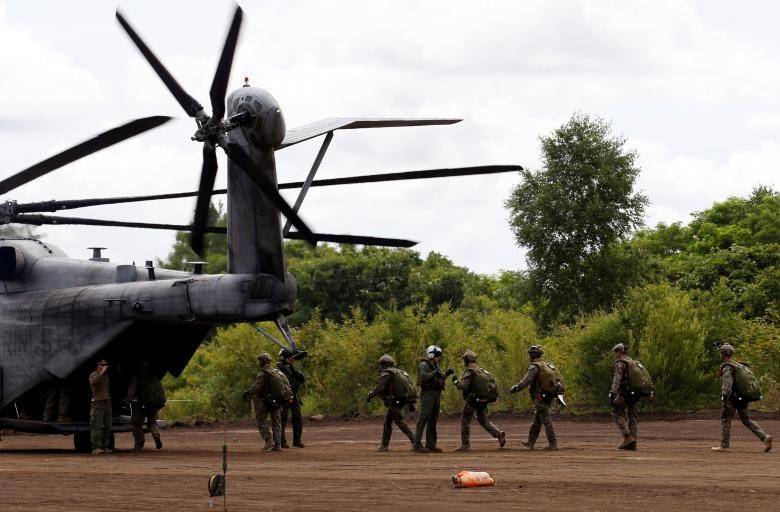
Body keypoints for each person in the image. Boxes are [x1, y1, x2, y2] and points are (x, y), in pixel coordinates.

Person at [712, 344, 772, 452]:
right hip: (742, 398)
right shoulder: (739, 365)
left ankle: (724, 445)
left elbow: (727, 383)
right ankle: (764, 437)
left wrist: (724, 396)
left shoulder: (727, 367)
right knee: (746, 420)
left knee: (726, 419)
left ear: (722, 354)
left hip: (732, 398)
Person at [452, 350, 505, 451]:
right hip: (484, 399)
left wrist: (456, 382)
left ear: (466, 361)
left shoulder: (469, 371)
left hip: (473, 400)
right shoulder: (483, 371)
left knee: (465, 419)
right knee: (483, 420)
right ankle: (498, 434)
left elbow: (464, 386)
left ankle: (465, 445)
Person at [510, 345, 557, 450]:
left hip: (540, 397)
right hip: (547, 396)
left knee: (546, 420)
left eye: (530, 354)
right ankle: (531, 442)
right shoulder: (545, 365)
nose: (529, 356)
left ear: (532, 355)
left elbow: (527, 380)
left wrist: (515, 388)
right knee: (537, 421)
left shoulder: (534, 366)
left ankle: (553, 443)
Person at [367, 354, 416, 452]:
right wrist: (411, 402)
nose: (381, 366)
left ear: (384, 364)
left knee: (399, 421)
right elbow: (410, 386)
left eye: (382, 364)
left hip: (394, 401)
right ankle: (384, 445)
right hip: (401, 399)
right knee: (388, 421)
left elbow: (381, 388)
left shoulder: (387, 373)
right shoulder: (401, 372)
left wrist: (370, 395)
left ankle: (415, 442)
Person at [609, 343, 653, 450]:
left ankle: (627, 436)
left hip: (624, 393)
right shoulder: (634, 362)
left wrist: (612, 393)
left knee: (616, 412)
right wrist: (651, 392)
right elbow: (646, 378)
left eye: (616, 352)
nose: (615, 355)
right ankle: (633, 444)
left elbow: (617, 379)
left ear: (619, 352)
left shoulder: (620, 363)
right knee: (632, 417)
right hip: (636, 393)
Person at [413, 345, 453, 453]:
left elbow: (439, 379)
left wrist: (446, 375)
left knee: (433, 420)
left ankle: (431, 444)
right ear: (431, 354)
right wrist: (434, 372)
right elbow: (423, 377)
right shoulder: (424, 365)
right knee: (423, 419)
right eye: (437, 355)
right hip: (428, 394)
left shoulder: (435, 366)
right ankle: (417, 444)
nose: (438, 357)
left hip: (436, 394)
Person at [245, 352, 287, 452]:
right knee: (276, 422)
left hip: (265, 401)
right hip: (277, 401)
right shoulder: (277, 372)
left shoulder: (263, 374)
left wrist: (248, 393)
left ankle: (268, 440)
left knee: (261, 420)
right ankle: (278, 444)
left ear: (261, 361)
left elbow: (256, 387)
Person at [127, 360, 166, 451]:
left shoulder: (136, 378)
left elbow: (131, 393)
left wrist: (127, 401)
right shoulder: (153, 377)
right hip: (153, 404)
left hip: (140, 405)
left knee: (136, 424)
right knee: (152, 422)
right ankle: (156, 435)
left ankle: (139, 444)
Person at [277, 348, 306, 448]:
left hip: (294, 395)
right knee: (283, 419)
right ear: (282, 358)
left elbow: (302, 379)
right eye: (287, 357)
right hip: (284, 397)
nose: (289, 359)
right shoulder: (278, 369)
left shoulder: (292, 368)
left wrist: (294, 370)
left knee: (298, 417)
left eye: (290, 357)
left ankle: (297, 440)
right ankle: (281, 441)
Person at [89, 359, 112, 455]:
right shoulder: (93, 375)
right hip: (97, 403)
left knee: (107, 425)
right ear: (97, 365)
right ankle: (96, 447)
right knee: (96, 425)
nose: (103, 366)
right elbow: (94, 382)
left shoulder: (106, 376)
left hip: (106, 402)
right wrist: (101, 372)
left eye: (105, 364)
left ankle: (104, 446)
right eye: (101, 364)